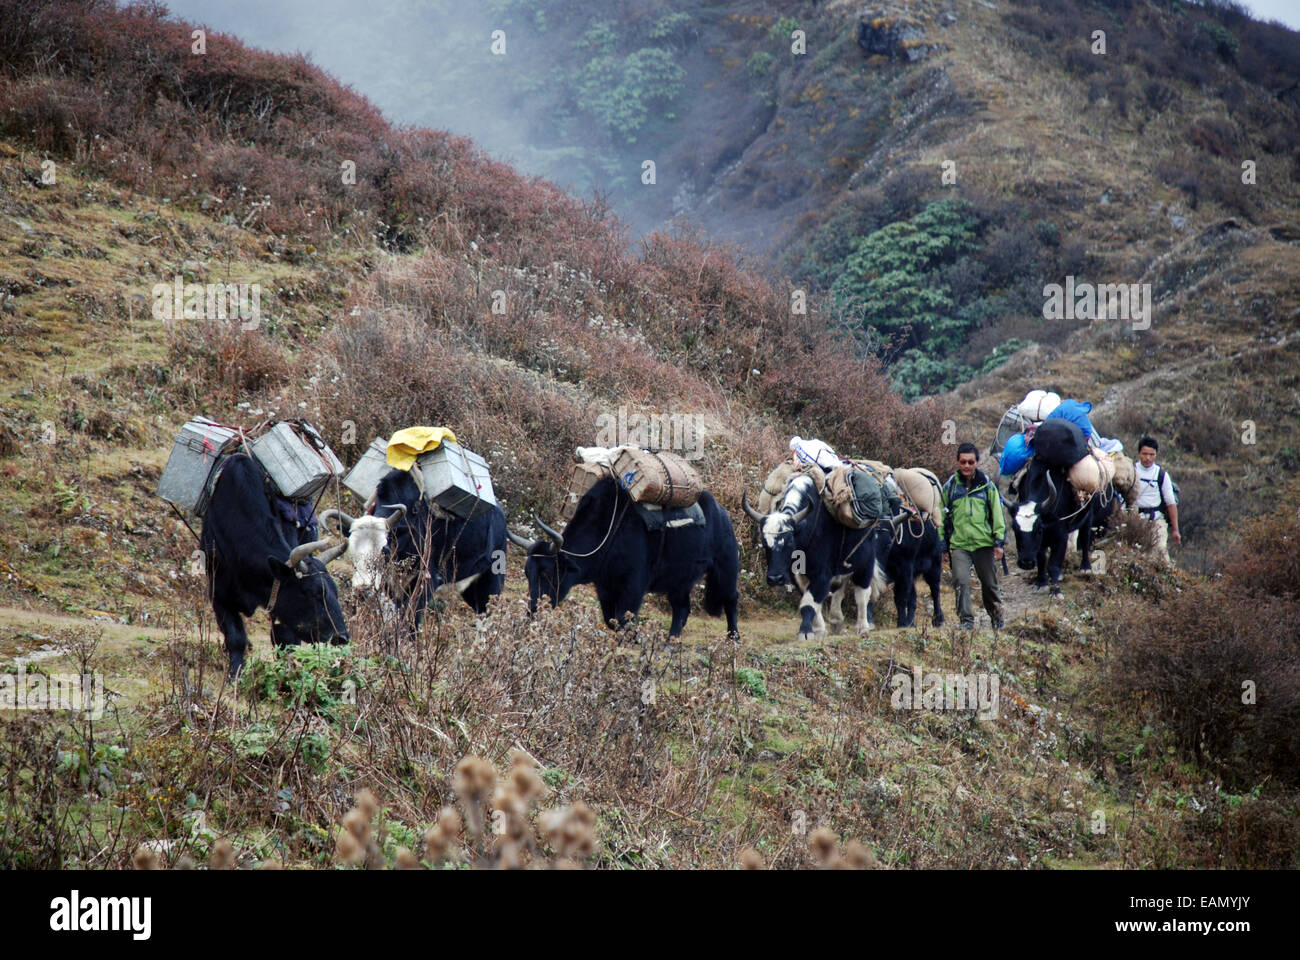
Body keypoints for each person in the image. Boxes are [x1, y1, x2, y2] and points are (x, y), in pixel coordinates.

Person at [940, 443, 1006, 630]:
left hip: (983, 544)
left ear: (977, 462)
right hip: (959, 545)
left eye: (971, 462)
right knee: (960, 582)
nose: (967, 466)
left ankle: (996, 616)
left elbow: (997, 515)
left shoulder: (987, 486)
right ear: (958, 462)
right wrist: (943, 547)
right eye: (963, 462)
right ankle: (966, 622)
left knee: (989, 584)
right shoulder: (949, 487)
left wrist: (998, 542)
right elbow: (941, 518)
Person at [1132, 436, 1180, 566]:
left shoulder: (1162, 475)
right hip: (1134, 520)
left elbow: (1171, 503)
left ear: (1156, 455)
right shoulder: (1131, 471)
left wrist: (1175, 530)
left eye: (1152, 454)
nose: (1148, 458)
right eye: (1144, 454)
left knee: (1160, 551)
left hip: (1156, 521)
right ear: (1139, 454)